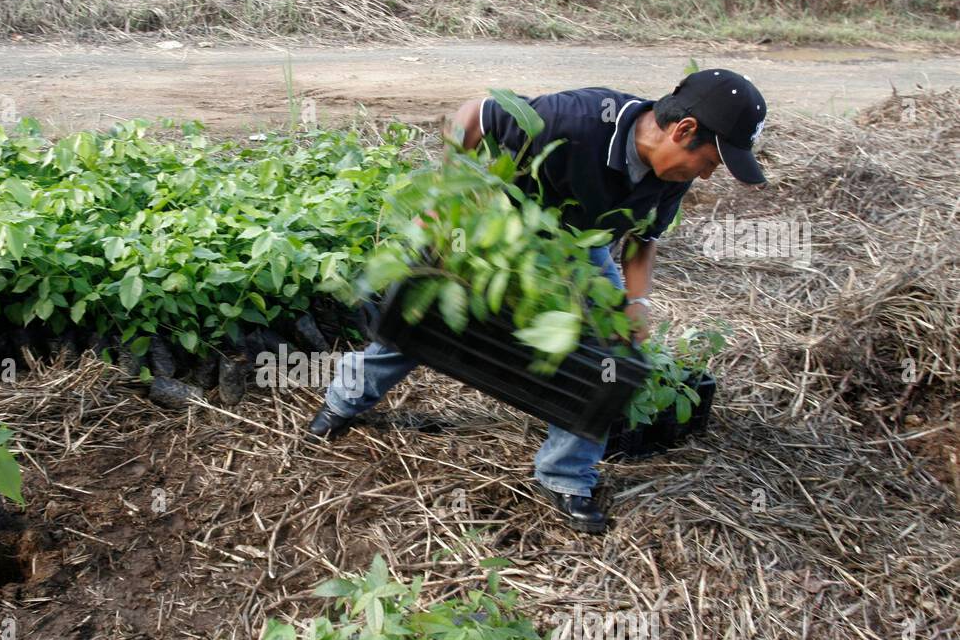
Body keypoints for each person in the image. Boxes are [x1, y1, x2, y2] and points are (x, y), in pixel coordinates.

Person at [307, 69, 768, 534]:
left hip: (577, 250)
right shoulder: (579, 119)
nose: (709, 174)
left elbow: (640, 241)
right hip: (503, 226)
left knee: (609, 361)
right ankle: (344, 403)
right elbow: (473, 116)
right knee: (424, 316)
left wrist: (637, 303)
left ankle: (565, 476)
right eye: (711, 161)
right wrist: (450, 199)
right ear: (684, 130)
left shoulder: (672, 175)